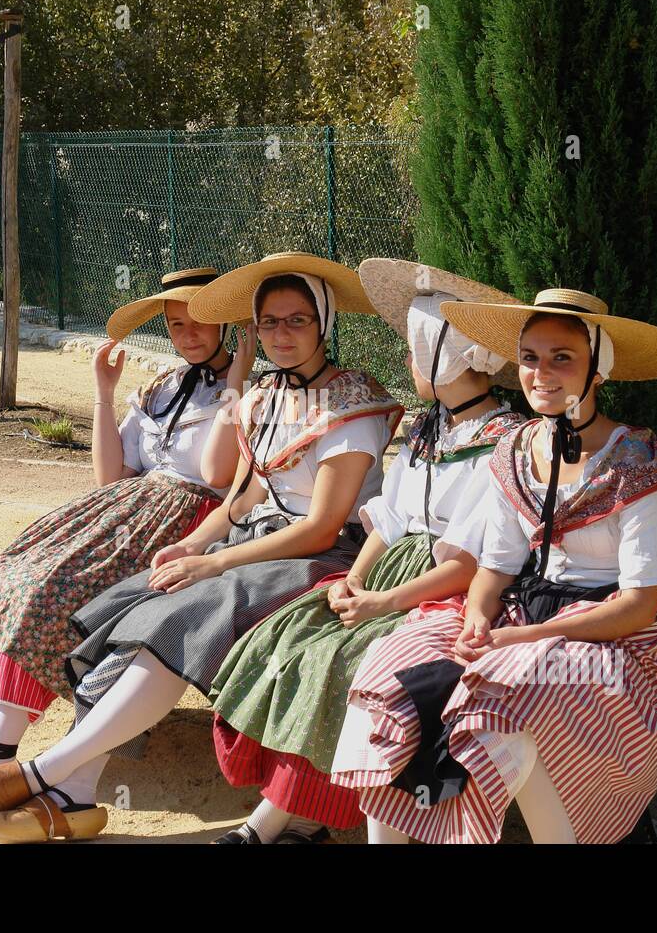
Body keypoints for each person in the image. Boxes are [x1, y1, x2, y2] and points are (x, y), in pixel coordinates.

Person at [0, 252, 405, 843]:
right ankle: (76, 789)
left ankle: (47, 773)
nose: (282, 335)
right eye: (270, 322)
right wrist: (189, 545)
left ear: (324, 323)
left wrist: (213, 562)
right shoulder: (263, 396)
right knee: (133, 602)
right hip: (254, 544)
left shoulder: (352, 403)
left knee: (181, 615)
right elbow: (241, 499)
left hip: (320, 560)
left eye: (297, 320)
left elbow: (321, 527)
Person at [331, 287, 657, 844]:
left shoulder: (638, 464)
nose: (541, 373)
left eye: (563, 358)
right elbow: (496, 568)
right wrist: (479, 616)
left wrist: (525, 636)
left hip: (617, 641)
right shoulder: (517, 450)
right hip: (521, 617)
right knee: (390, 671)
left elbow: (638, 605)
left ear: (599, 370)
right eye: (530, 357)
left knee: (503, 704)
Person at [0, 268, 242, 802]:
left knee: (47, 595)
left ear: (225, 322)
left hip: (185, 523)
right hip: (118, 508)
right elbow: (110, 476)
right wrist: (104, 392)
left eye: (199, 322)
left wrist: (236, 382)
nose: (187, 335)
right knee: (8, 575)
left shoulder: (250, 389)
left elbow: (215, 477)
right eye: (175, 324)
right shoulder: (162, 387)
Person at [208, 258, 525, 843]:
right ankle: (297, 813)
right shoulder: (432, 431)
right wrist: (353, 580)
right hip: (389, 575)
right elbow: (389, 519)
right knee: (289, 637)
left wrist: (383, 603)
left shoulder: (503, 444)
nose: (408, 358)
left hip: (441, 593)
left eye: (414, 346)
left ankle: (273, 821)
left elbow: (470, 564)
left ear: (446, 352)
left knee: (343, 664)